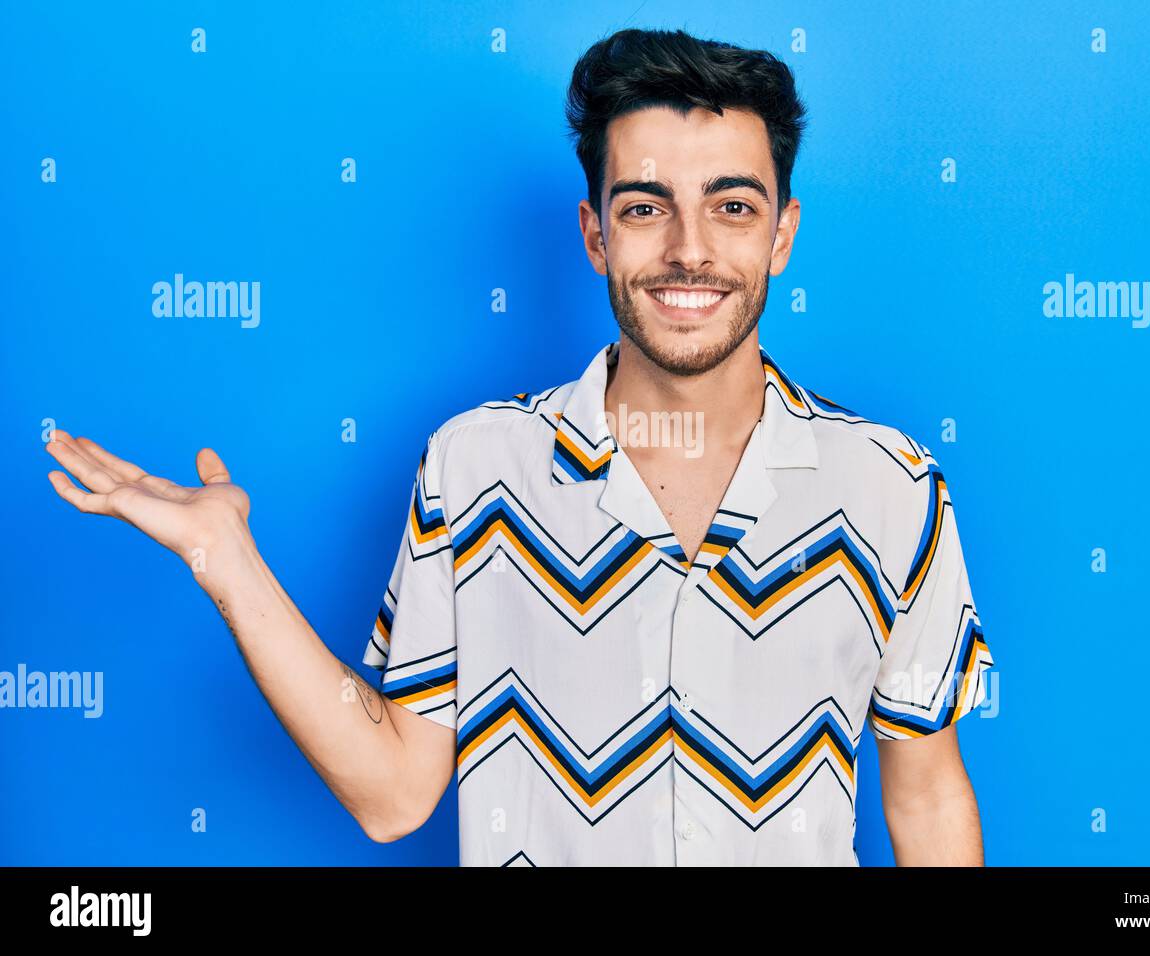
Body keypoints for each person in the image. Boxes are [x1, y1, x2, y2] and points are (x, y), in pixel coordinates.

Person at [43, 27, 994, 866]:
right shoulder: (474, 465)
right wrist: (228, 562)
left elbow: (926, 795)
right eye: (644, 206)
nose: (688, 249)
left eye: (733, 207)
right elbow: (393, 794)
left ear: (783, 233)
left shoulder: (891, 485)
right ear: (594, 233)